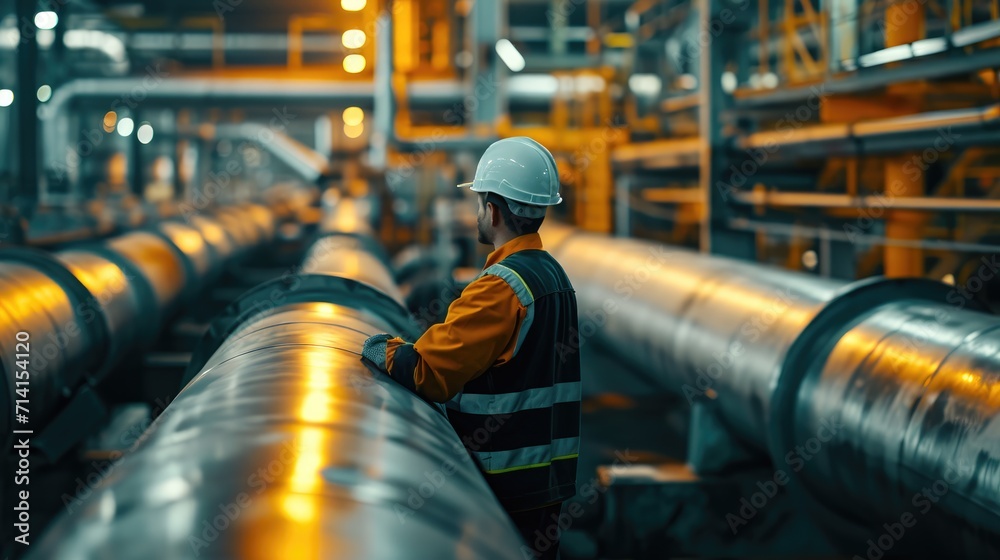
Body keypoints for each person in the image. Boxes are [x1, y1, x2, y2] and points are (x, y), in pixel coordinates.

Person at [361, 137, 581, 559]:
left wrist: (382, 349)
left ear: (494, 210)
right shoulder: (555, 276)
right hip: (549, 477)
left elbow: (430, 373)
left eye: (480, 202)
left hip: (505, 478)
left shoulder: (500, 288)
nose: (477, 212)